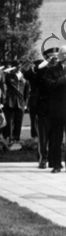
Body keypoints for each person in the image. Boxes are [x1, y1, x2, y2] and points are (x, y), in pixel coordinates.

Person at [25, 47, 59, 168]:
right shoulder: (40, 69)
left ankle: (52, 159)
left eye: (56, 56)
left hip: (57, 108)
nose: (55, 59)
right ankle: (42, 159)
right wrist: (41, 66)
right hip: (42, 108)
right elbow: (27, 74)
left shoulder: (60, 70)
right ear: (46, 57)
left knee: (55, 136)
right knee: (43, 137)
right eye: (52, 57)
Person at [45, 45, 66, 173]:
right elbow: (51, 85)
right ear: (60, 56)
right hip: (58, 110)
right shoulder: (51, 70)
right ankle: (57, 165)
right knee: (56, 139)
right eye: (64, 54)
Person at [1, 61, 29, 147]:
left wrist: (25, 104)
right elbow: (9, 82)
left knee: (18, 122)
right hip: (10, 102)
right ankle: (8, 139)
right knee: (9, 122)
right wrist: (7, 72)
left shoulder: (25, 80)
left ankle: (16, 139)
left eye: (19, 66)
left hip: (20, 104)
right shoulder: (8, 76)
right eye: (16, 66)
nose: (18, 68)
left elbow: (26, 93)